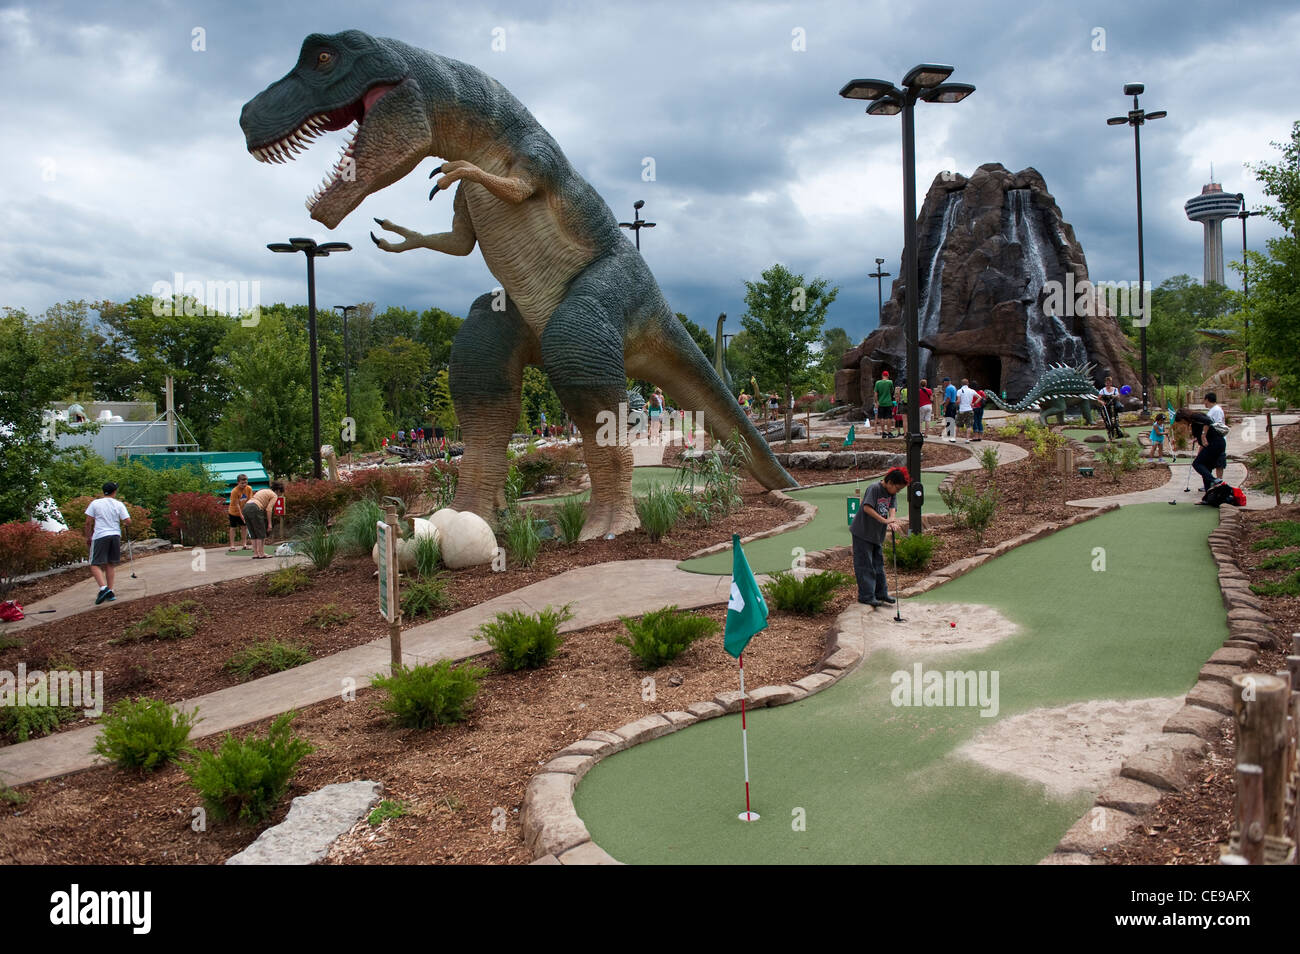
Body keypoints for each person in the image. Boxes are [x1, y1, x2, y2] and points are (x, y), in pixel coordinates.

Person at [850, 467, 908, 607]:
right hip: (863, 533)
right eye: (898, 488)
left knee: (878, 564)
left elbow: (892, 506)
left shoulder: (891, 492)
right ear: (890, 482)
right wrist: (884, 521)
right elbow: (867, 507)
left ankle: (881, 593)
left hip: (876, 534)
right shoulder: (874, 488)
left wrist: (892, 519)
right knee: (865, 565)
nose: (897, 492)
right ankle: (866, 596)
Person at [85, 481, 132, 605]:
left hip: (100, 535)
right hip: (115, 535)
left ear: (103, 491)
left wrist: (88, 536)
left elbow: (88, 522)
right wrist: (124, 524)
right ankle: (110, 591)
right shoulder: (119, 504)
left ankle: (103, 588)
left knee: (94, 563)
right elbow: (128, 520)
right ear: (114, 492)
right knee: (109, 563)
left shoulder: (95, 503)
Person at [1174, 408, 1227, 493]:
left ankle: (1215, 481)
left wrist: (1203, 435)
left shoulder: (1195, 416)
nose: (1183, 424)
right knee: (1206, 468)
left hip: (1215, 443)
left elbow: (1208, 421)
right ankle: (1208, 496)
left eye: (1183, 422)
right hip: (1214, 444)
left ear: (1184, 417)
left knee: (1197, 463)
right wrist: (1198, 439)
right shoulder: (1194, 422)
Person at [243, 481, 285, 559]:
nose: (279, 495)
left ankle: (256, 554)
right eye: (280, 493)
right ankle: (261, 553)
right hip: (255, 508)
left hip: (246, 507)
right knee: (261, 532)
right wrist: (269, 524)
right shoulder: (274, 495)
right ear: (278, 490)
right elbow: (269, 509)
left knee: (253, 533)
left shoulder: (263, 490)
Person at [1203, 392, 1227, 480]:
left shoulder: (1216, 410)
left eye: (1204, 400)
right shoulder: (1212, 410)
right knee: (1210, 462)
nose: (1204, 403)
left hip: (1217, 440)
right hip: (1212, 440)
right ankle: (1210, 481)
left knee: (1219, 462)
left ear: (1207, 400)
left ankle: (1218, 481)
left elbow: (1218, 425)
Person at [227, 474, 253, 552]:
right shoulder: (234, 491)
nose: (244, 485)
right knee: (233, 528)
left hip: (244, 511)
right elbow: (237, 504)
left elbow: (249, 500)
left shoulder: (249, 488)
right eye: (242, 483)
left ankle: (244, 545)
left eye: (246, 482)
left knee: (244, 528)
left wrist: (247, 512)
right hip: (234, 512)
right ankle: (232, 546)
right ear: (238, 482)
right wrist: (241, 515)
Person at [874, 371, 895, 438]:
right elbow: (892, 391)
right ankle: (889, 432)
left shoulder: (877, 383)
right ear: (888, 375)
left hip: (881, 403)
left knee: (881, 418)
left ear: (882, 375)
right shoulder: (890, 382)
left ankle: (883, 433)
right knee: (889, 417)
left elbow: (875, 394)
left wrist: (877, 402)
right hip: (888, 402)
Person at [955, 378, 976, 442]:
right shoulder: (972, 391)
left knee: (957, 425)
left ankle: (954, 438)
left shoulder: (959, 391)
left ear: (961, 384)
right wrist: (974, 403)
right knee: (969, 425)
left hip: (962, 410)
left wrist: (955, 404)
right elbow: (980, 397)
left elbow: (958, 401)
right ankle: (967, 439)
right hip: (969, 409)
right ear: (968, 383)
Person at [942, 376, 958, 441]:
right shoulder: (954, 387)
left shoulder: (948, 388)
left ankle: (950, 433)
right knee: (952, 418)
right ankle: (951, 432)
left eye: (944, 382)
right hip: (954, 404)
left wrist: (945, 406)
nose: (943, 384)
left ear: (946, 382)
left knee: (948, 418)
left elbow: (948, 398)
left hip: (950, 405)